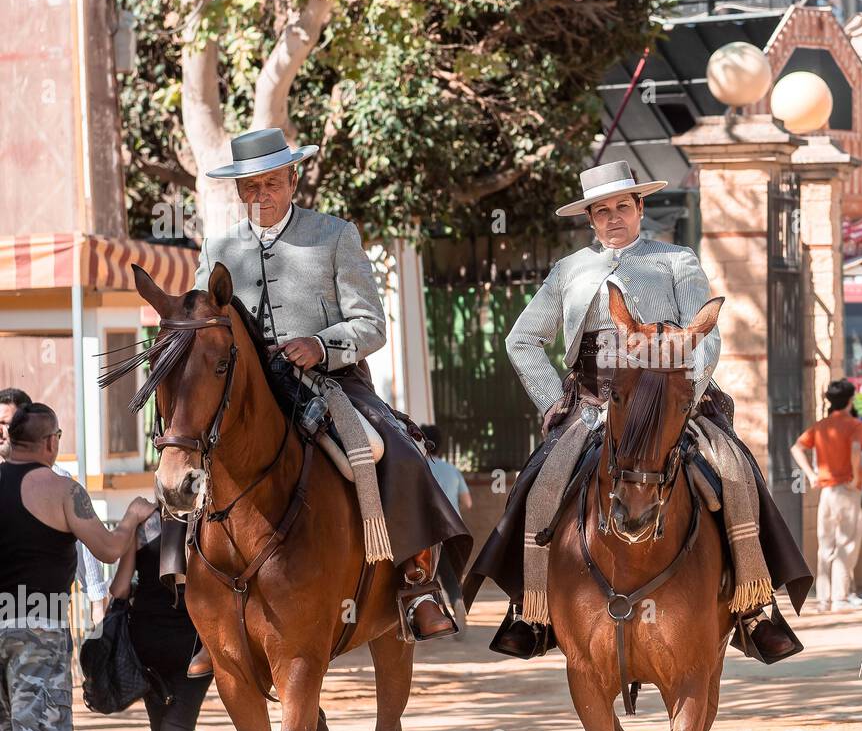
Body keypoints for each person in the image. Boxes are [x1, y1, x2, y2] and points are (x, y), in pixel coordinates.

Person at [465, 160, 812, 661]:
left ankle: (755, 605)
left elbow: (704, 335)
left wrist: (682, 398)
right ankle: (530, 608)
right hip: (589, 405)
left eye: (621, 207)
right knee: (537, 482)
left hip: (672, 399)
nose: (612, 218)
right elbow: (522, 340)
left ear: (640, 208)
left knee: (735, 472)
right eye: (601, 211)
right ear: (589, 219)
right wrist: (553, 402)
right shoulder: (569, 271)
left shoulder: (676, 259)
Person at [193, 128, 471, 644]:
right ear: (237, 192)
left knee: (395, 450)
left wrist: (321, 346)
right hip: (242, 392)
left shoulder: (335, 235)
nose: (261, 196)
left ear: (293, 179)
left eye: (271, 183)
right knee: (184, 462)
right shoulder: (218, 246)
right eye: (250, 188)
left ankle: (418, 582)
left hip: (328, 382)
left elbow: (371, 324)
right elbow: (199, 317)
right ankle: (197, 608)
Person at [0, 403, 154, 731]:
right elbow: (108, 549)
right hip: (39, 629)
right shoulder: (63, 490)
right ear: (51, 442)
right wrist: (132, 517)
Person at [109, 507, 211, 731]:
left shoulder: (143, 521)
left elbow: (119, 589)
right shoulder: (209, 519)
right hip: (194, 645)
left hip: (147, 645)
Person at [0, 389, 110, 624]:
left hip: (41, 625)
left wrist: (97, 600)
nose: (2, 431)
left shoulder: (59, 481)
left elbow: (86, 545)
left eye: (7, 423)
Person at [792, 380, 862, 612]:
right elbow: (856, 450)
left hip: (826, 491)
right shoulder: (854, 424)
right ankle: (840, 598)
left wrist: (812, 475)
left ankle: (823, 599)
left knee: (825, 546)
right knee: (846, 543)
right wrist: (856, 478)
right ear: (850, 400)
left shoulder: (821, 425)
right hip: (847, 489)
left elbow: (796, 447)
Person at [419, 424, 472, 517]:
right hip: (455, 526)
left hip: (429, 527)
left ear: (422, 444)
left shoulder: (418, 469)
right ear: (439, 446)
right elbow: (467, 503)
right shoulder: (453, 470)